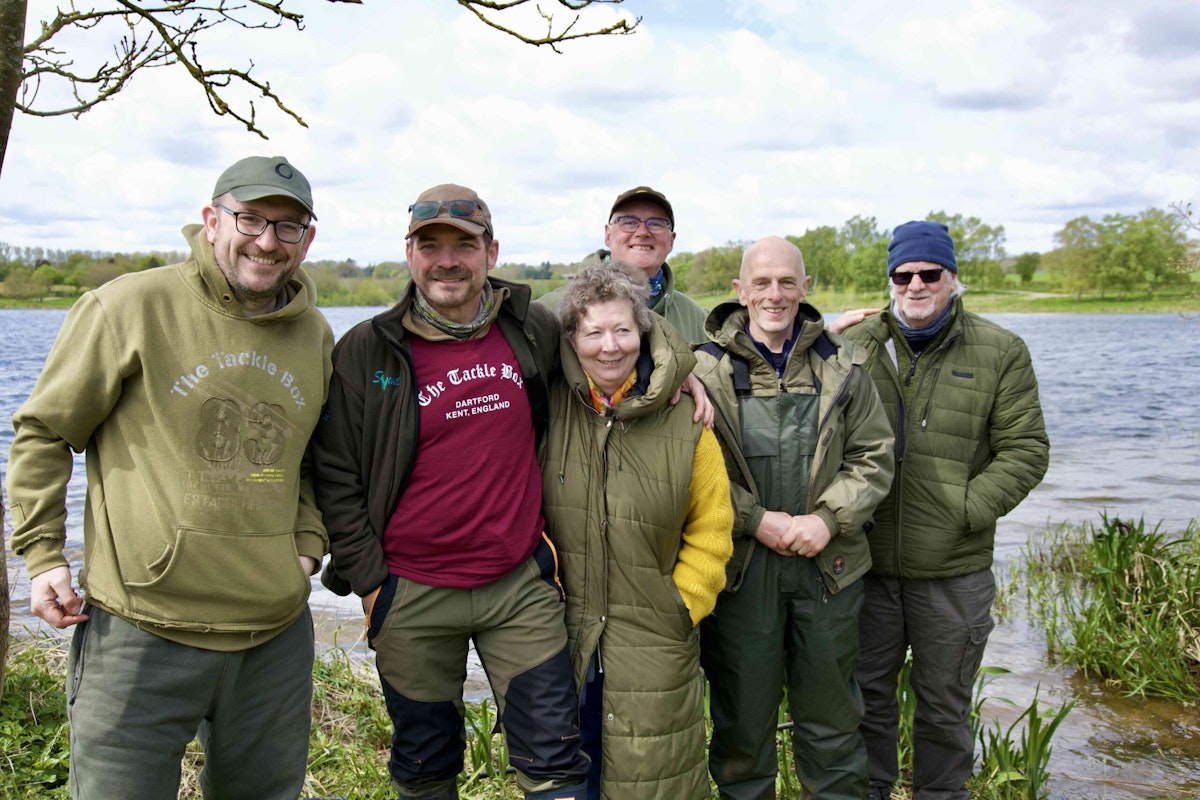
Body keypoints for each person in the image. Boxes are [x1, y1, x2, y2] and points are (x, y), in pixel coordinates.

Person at [6, 155, 332, 799]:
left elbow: (316, 463)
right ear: (212, 221)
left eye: (288, 227)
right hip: (139, 631)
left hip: (273, 640)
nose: (267, 241)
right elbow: (44, 432)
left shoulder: (317, 336)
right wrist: (43, 556)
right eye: (251, 219)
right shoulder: (129, 306)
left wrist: (306, 546)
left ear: (308, 240)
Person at [309, 184, 591, 800]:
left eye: (463, 245)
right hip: (411, 592)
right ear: (409, 253)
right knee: (424, 763)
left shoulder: (531, 329)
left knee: (556, 761)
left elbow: (613, 363)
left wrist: (687, 380)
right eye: (429, 244)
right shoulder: (369, 349)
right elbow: (335, 472)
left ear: (491, 251)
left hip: (518, 587)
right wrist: (369, 579)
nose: (446, 260)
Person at [839, 220, 1050, 800]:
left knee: (943, 712)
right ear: (890, 281)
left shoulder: (1001, 350)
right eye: (902, 275)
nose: (914, 285)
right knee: (866, 705)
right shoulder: (854, 346)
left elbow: (1026, 451)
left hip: (954, 575)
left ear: (952, 279)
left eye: (929, 273)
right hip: (866, 568)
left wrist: (963, 509)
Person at [692, 236, 895, 800]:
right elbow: (688, 469)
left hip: (829, 570)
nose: (774, 294)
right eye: (761, 282)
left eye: (787, 282)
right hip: (741, 572)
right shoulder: (702, 371)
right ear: (740, 291)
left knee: (833, 726)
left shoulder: (847, 365)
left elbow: (873, 457)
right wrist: (756, 520)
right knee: (740, 732)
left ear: (806, 288)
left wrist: (829, 520)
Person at [539, 260, 733, 800]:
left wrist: (681, 604)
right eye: (593, 331)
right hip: (561, 639)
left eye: (622, 329)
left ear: (642, 332)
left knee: (653, 783)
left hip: (655, 639)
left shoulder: (684, 418)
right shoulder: (548, 407)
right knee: (568, 780)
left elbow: (713, 527)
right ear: (571, 338)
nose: (609, 346)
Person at [538, 186, 708, 343]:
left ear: (671, 241)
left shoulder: (696, 319)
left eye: (656, 223)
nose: (642, 232)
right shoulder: (550, 313)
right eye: (629, 222)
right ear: (608, 235)